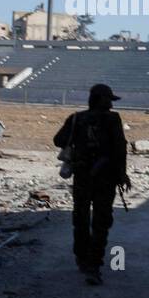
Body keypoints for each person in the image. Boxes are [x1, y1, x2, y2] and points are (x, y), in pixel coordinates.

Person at [54, 83, 132, 286]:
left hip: (82, 176)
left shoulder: (76, 118)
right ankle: (94, 265)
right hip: (105, 178)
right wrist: (122, 174)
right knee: (101, 221)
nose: (111, 105)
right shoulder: (112, 119)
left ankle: (81, 258)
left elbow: (58, 140)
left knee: (80, 217)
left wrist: (78, 142)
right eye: (109, 100)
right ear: (101, 99)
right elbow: (119, 148)